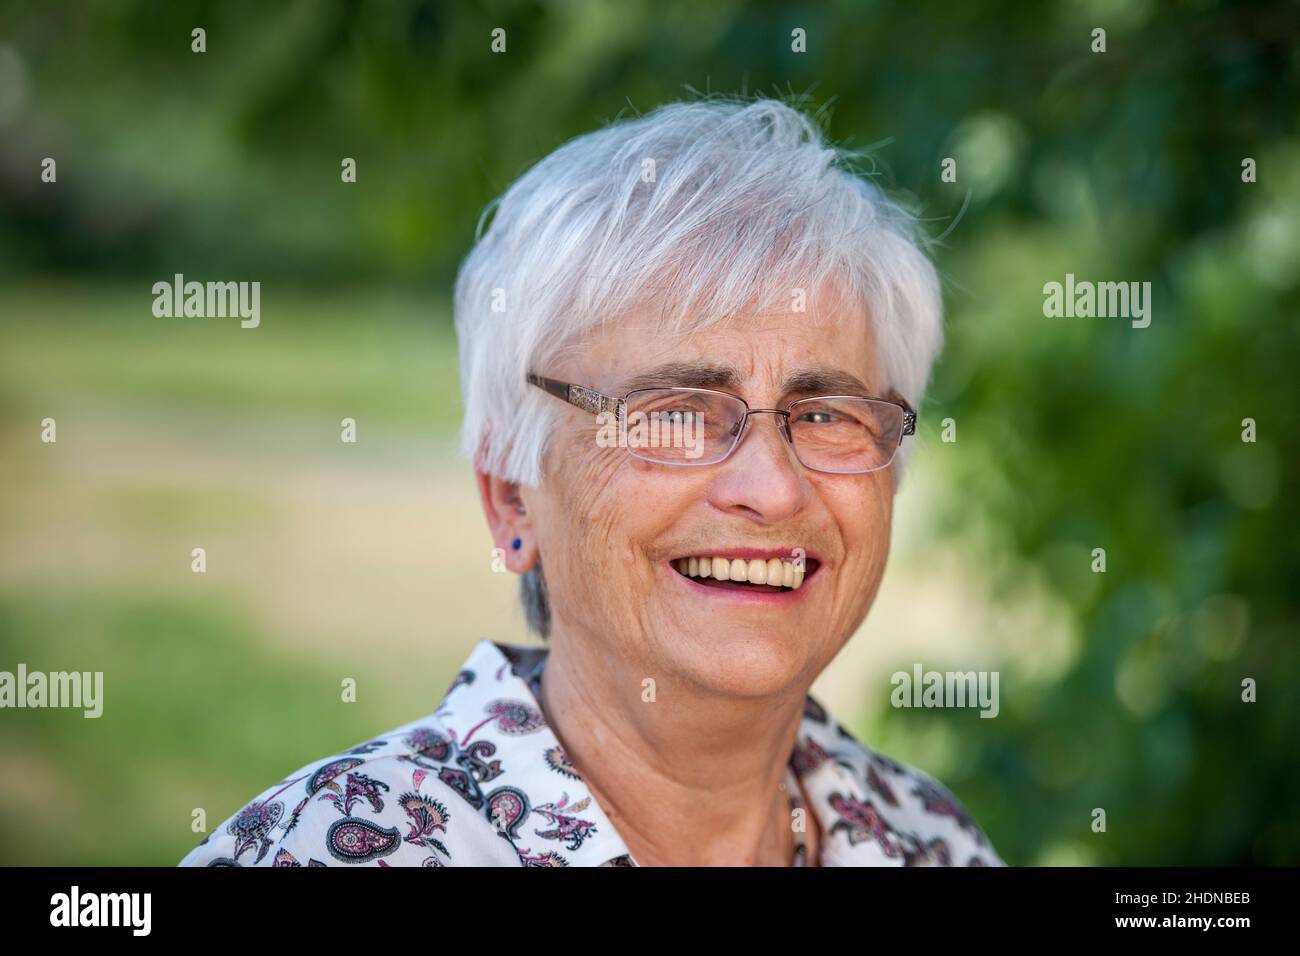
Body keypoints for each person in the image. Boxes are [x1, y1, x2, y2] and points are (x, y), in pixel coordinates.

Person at [179, 96, 1003, 867]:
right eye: (675, 412)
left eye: (826, 414)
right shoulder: (329, 848)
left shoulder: (931, 840)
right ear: (510, 496)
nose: (773, 490)